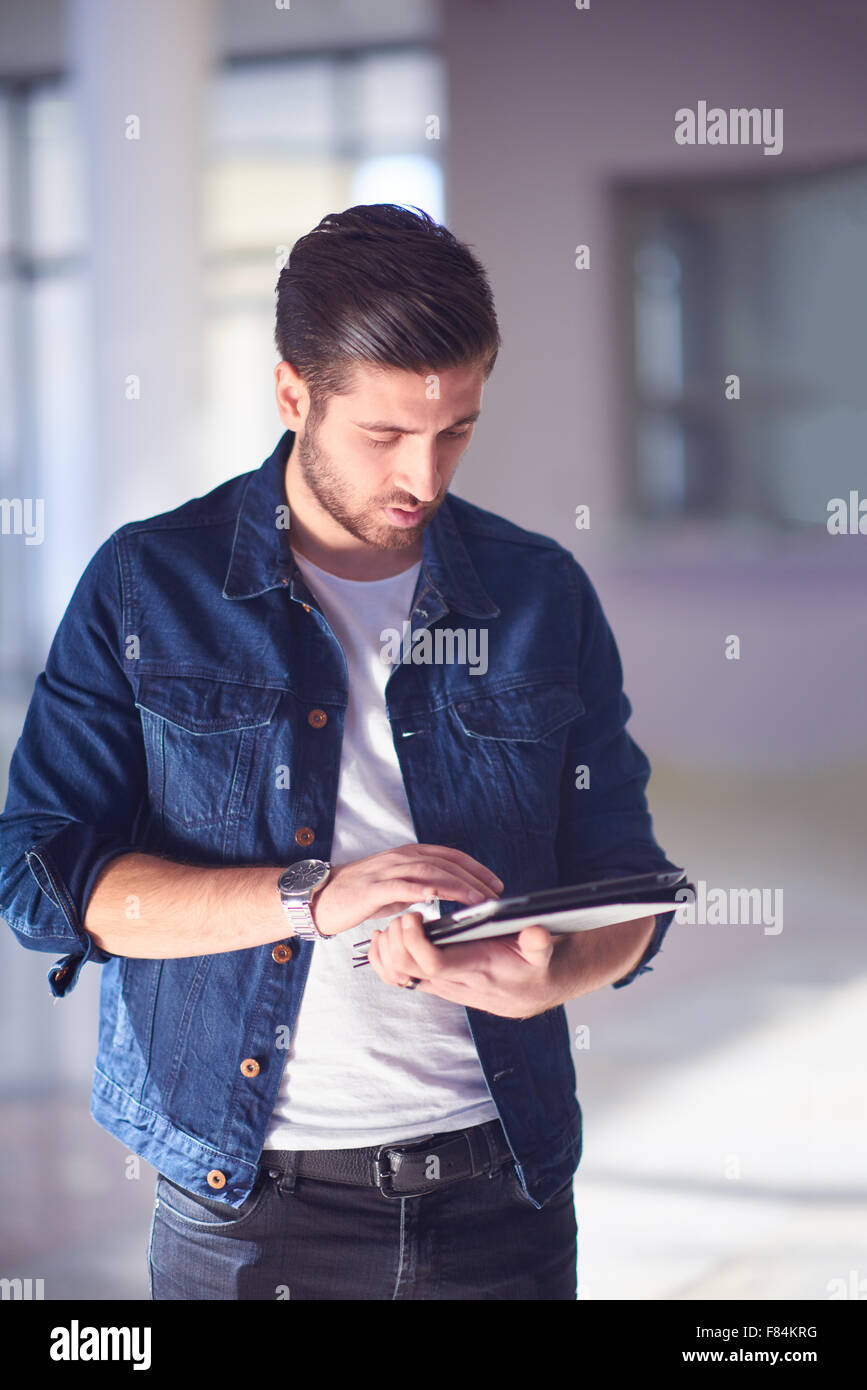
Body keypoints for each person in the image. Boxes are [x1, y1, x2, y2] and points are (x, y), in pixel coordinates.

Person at [0, 203, 681, 1301]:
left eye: (456, 427)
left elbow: (628, 879)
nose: (426, 472)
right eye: (384, 434)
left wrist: (565, 965)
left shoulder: (539, 591)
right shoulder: (146, 586)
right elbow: (44, 883)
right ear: (291, 395)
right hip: (250, 1214)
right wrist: (310, 897)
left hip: (504, 1194)